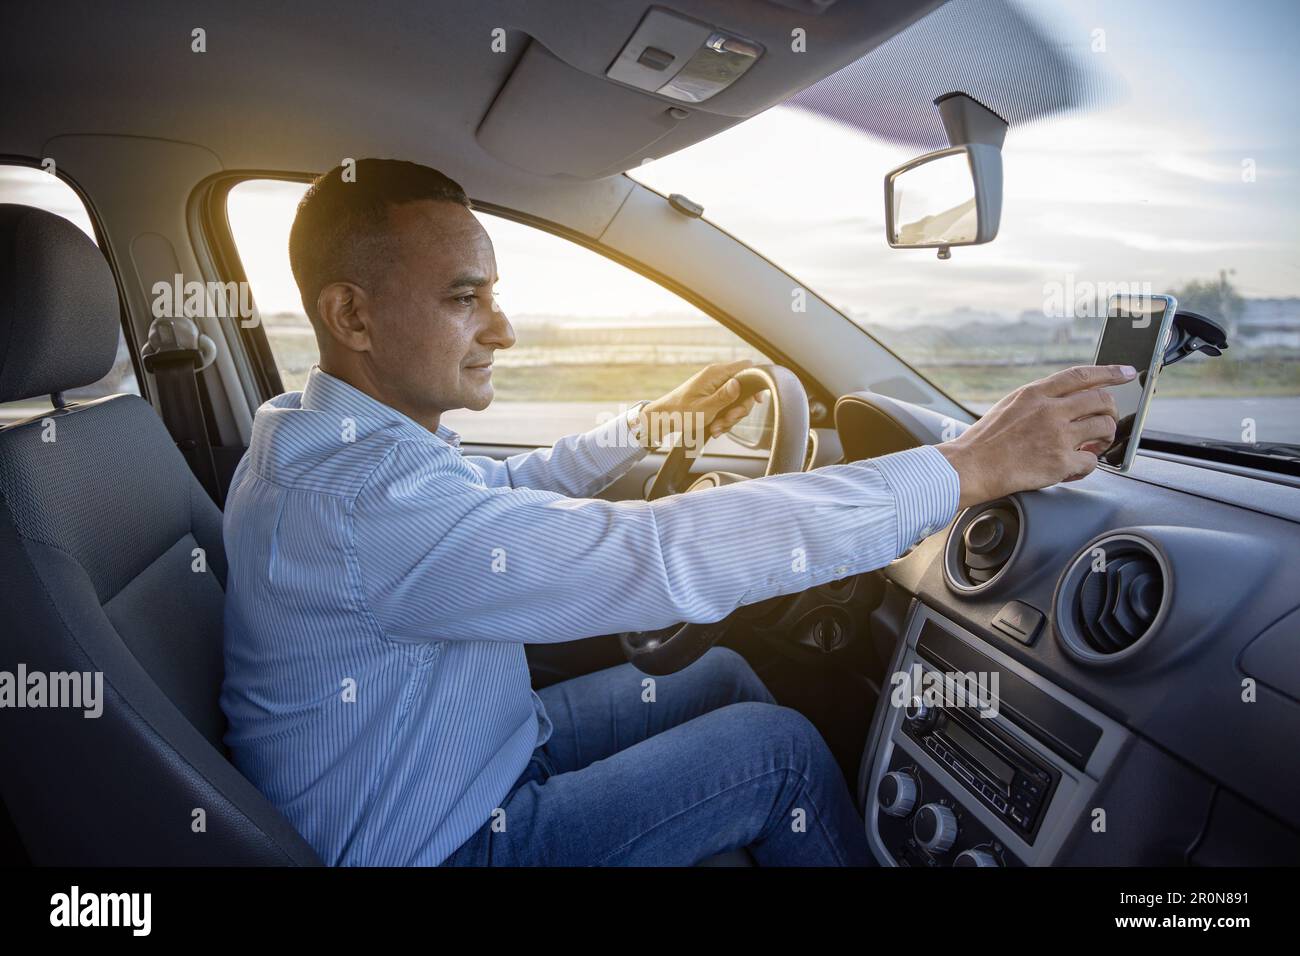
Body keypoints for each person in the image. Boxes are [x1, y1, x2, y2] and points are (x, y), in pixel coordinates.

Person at [219, 159, 1128, 866]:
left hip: (475, 759)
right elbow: (656, 557)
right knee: (774, 752)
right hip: (441, 841)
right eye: (466, 298)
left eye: (492, 294)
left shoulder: (316, 435)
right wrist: (963, 469)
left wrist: (652, 426)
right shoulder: (356, 500)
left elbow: (499, 497)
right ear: (353, 316)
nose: (502, 329)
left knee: (727, 675)